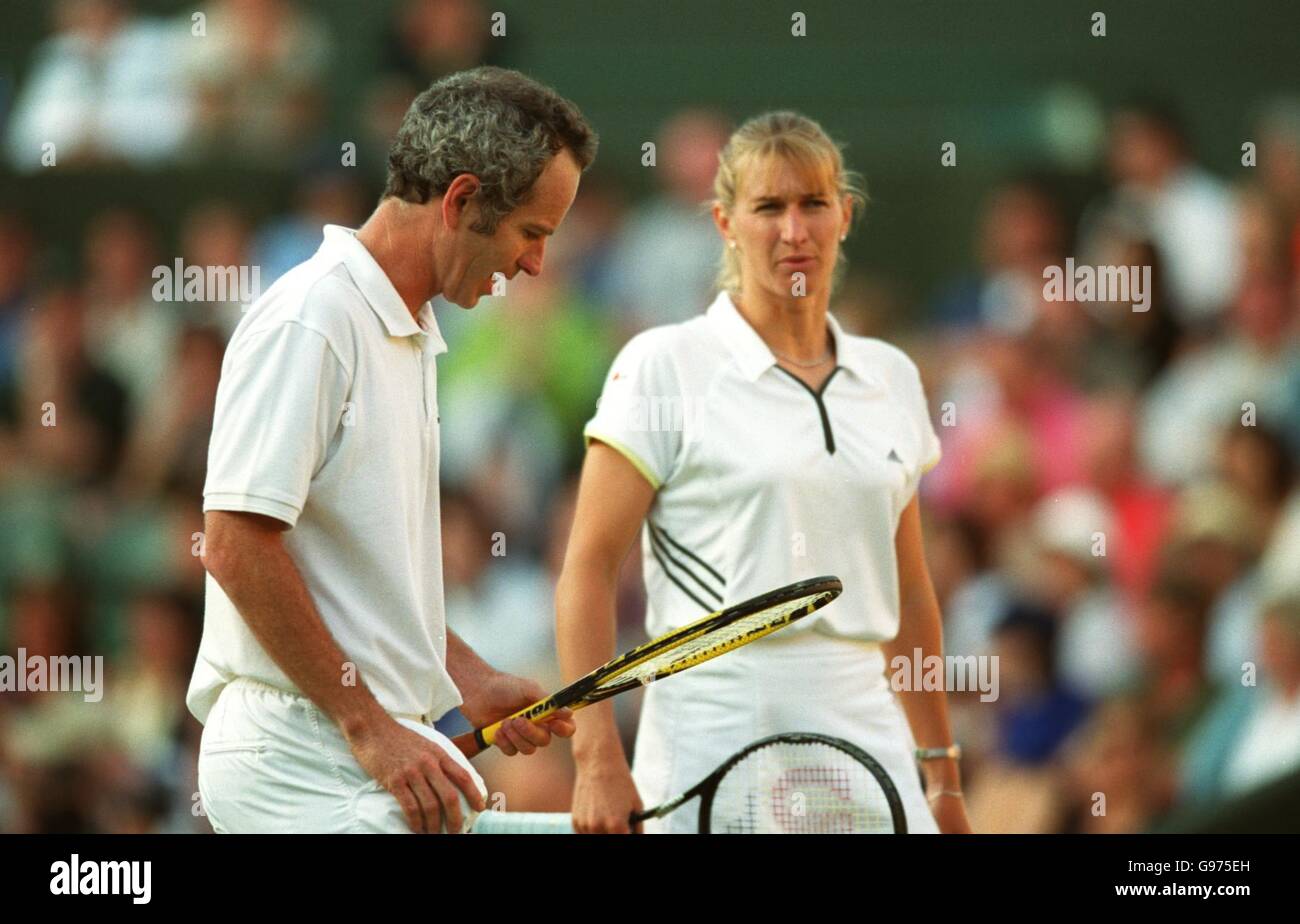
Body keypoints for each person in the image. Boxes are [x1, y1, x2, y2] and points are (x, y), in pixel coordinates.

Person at [189, 66, 598, 834]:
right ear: (461, 201)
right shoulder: (312, 318)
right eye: (532, 234)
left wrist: (464, 678)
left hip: (367, 749)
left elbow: (361, 581)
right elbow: (235, 546)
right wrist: (370, 726)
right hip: (303, 761)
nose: (536, 265)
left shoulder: (407, 332)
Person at [556, 111, 972, 833]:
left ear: (846, 214)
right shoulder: (663, 365)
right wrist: (596, 759)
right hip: (709, 737)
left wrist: (941, 774)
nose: (794, 230)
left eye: (813, 203)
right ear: (724, 222)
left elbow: (910, 594)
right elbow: (587, 571)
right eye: (768, 207)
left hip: (866, 736)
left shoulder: (893, 376)